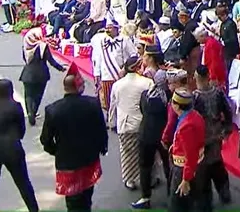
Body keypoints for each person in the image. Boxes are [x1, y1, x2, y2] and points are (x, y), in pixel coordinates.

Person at [41, 64, 108, 211]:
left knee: (72, 198)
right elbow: (101, 130)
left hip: (67, 162)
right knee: (87, 192)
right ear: (79, 87)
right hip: (89, 158)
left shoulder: (53, 110)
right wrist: (102, 147)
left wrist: (57, 151)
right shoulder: (92, 104)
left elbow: (45, 140)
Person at [0, 79, 40, 212]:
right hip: (12, 149)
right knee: (23, 183)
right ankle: (33, 209)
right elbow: (21, 131)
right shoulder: (15, 107)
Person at [109, 56, 152, 190]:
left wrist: (112, 122)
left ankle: (130, 179)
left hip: (125, 124)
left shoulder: (117, 85)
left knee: (127, 154)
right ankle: (149, 178)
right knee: (148, 153)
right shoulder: (148, 83)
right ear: (138, 67)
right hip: (144, 124)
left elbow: (113, 106)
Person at [193, 65, 233, 205]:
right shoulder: (218, 92)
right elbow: (228, 111)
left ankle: (206, 200)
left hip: (202, 137)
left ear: (197, 77)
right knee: (216, 162)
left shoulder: (195, 97)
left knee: (203, 168)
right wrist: (227, 129)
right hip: (216, 133)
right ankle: (224, 192)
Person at [132, 70, 171, 210]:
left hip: (146, 134)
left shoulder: (145, 95)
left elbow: (142, 110)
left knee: (145, 166)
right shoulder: (169, 96)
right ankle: (172, 195)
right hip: (164, 136)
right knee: (169, 166)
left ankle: (145, 197)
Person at [167, 89, 207, 212]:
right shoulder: (195, 116)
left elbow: (190, 154)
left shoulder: (186, 127)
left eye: (173, 102)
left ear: (177, 106)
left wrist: (185, 179)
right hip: (196, 166)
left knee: (178, 205)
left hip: (183, 169)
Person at [20, 26, 65, 125]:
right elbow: (51, 60)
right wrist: (61, 68)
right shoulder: (43, 46)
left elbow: (24, 59)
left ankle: (29, 111)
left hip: (27, 73)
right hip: (41, 74)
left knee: (28, 94)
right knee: (38, 95)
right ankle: (34, 111)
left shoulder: (26, 45)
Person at [91, 19, 126, 116]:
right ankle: (110, 117)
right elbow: (97, 58)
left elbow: (132, 55)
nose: (107, 30)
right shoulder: (101, 41)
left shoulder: (124, 40)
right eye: (106, 28)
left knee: (120, 100)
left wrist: (125, 69)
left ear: (116, 29)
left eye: (110, 28)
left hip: (120, 75)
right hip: (106, 76)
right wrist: (97, 74)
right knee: (107, 100)